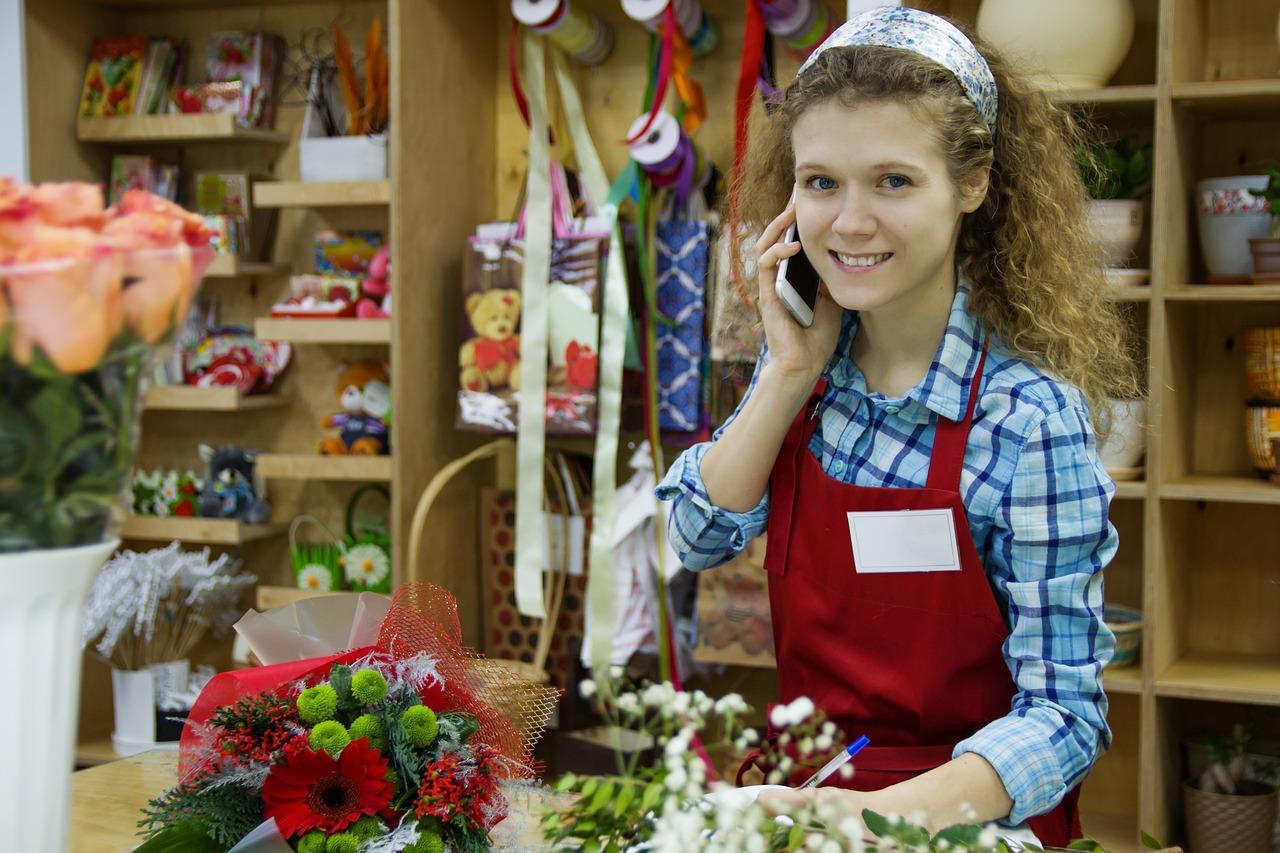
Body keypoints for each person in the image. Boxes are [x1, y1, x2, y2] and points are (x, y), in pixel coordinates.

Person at [655, 6, 1139, 847]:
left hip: (964, 820)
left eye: (893, 181)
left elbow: (1064, 713)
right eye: (821, 182)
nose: (848, 223)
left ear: (973, 184)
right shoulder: (807, 373)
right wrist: (788, 371)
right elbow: (692, 535)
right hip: (809, 797)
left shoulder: (1026, 421)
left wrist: (870, 815)